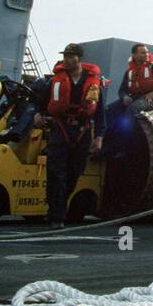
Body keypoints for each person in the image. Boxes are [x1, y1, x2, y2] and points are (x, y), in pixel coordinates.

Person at [44, 43, 106, 229]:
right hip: (60, 128)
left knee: (74, 174)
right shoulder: (55, 80)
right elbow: (42, 100)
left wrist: (99, 136)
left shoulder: (94, 82)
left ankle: (58, 207)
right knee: (56, 173)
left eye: (70, 56)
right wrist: (39, 114)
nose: (66, 60)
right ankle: (56, 216)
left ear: (79, 58)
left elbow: (99, 111)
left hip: (82, 131)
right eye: (65, 56)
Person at [118, 44, 153, 115]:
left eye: (147, 52)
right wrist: (124, 97)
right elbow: (121, 90)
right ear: (134, 55)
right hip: (133, 98)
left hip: (148, 100)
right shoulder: (129, 72)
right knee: (109, 109)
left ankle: (131, 126)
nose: (146, 55)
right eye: (143, 53)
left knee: (132, 109)